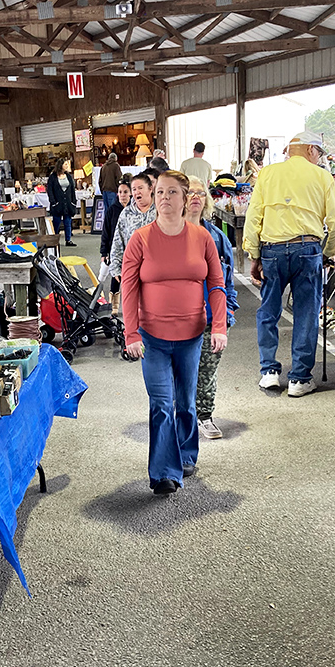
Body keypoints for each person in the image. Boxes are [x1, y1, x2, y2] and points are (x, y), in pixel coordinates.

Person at [122, 171, 228, 495]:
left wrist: (219, 326)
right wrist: (131, 334)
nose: (165, 198)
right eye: (160, 193)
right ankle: (164, 473)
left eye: (172, 193)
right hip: (151, 337)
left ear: (185, 199)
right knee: (162, 403)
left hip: (192, 336)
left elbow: (217, 285)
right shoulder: (140, 239)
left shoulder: (203, 238)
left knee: (185, 402)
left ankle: (186, 454)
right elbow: (128, 288)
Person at [243, 131, 335, 397]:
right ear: (312, 150)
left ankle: (268, 372)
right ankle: (299, 379)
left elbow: (254, 216)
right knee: (306, 313)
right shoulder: (322, 176)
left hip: (272, 250)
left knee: (268, 311)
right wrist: (327, 252)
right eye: (319, 153)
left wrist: (254, 255)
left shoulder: (267, 174)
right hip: (307, 248)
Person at [185, 176, 239, 439]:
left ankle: (204, 416)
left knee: (206, 371)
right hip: (177, 320)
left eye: (200, 193)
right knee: (180, 375)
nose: (196, 197)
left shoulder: (217, 238)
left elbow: (227, 280)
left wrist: (226, 313)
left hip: (210, 317)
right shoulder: (166, 234)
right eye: (190, 192)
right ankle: (183, 418)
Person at [109, 172, 156, 280]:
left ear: (150, 189)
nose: (137, 192)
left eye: (140, 188)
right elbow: (117, 241)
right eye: (134, 189)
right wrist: (116, 268)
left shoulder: (160, 211)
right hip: (132, 269)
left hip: (156, 270)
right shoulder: (126, 213)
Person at [100, 178, 132, 316]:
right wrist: (104, 252)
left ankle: (131, 304)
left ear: (130, 193)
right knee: (116, 276)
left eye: (125, 192)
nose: (123, 195)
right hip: (115, 249)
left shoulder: (134, 210)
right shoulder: (112, 210)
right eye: (120, 192)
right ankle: (114, 306)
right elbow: (105, 232)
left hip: (132, 249)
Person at [46, 157, 77, 247]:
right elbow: (50, 190)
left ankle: (68, 240)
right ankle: (55, 240)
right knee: (56, 222)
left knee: (68, 222)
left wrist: (73, 201)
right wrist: (53, 202)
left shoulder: (68, 176)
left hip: (68, 203)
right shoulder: (53, 177)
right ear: (61, 165)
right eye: (65, 164)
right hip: (57, 203)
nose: (67, 166)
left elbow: (72, 189)